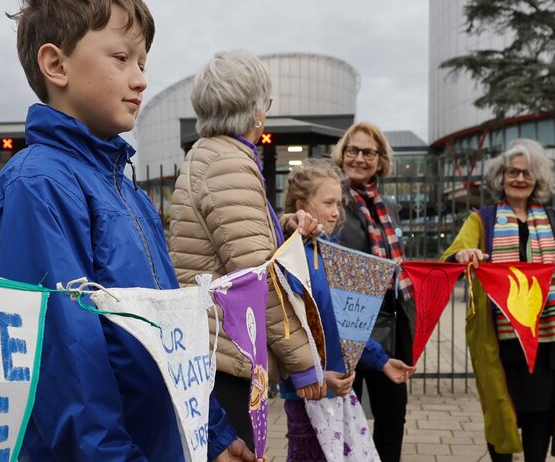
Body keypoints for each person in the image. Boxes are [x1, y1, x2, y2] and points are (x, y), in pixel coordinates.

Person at [0, 0, 254, 461]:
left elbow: (170, 332)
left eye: (143, 61)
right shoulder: (36, 189)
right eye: (122, 58)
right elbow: (66, 368)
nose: (141, 79)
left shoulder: (125, 191)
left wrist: (210, 432)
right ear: (56, 66)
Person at [168, 50, 325, 450]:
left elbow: (231, 243)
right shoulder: (229, 164)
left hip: (210, 345)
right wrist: (303, 361)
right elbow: (255, 275)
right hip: (227, 354)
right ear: (255, 110)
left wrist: (282, 224)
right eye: (266, 105)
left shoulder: (208, 154)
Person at [441, 138, 555, 461]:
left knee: (542, 411)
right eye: (512, 172)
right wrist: (464, 253)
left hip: (547, 337)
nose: (519, 179)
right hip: (499, 336)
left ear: (538, 179)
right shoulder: (482, 220)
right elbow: (450, 257)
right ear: (500, 178)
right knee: (502, 408)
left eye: (527, 173)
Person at [279, 159, 415, 461]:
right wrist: (314, 375)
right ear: (302, 205)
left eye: (338, 203)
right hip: (307, 392)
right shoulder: (289, 257)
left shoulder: (332, 255)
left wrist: (381, 361)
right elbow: (285, 333)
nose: (336, 211)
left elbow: (347, 325)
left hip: (338, 390)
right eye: (328, 202)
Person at [331, 121, 416, 462]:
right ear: (342, 154)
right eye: (353, 150)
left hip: (391, 324)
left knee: (393, 416)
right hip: (348, 326)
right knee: (346, 420)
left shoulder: (389, 206)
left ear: (380, 160)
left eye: (368, 152)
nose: (360, 158)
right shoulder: (334, 198)